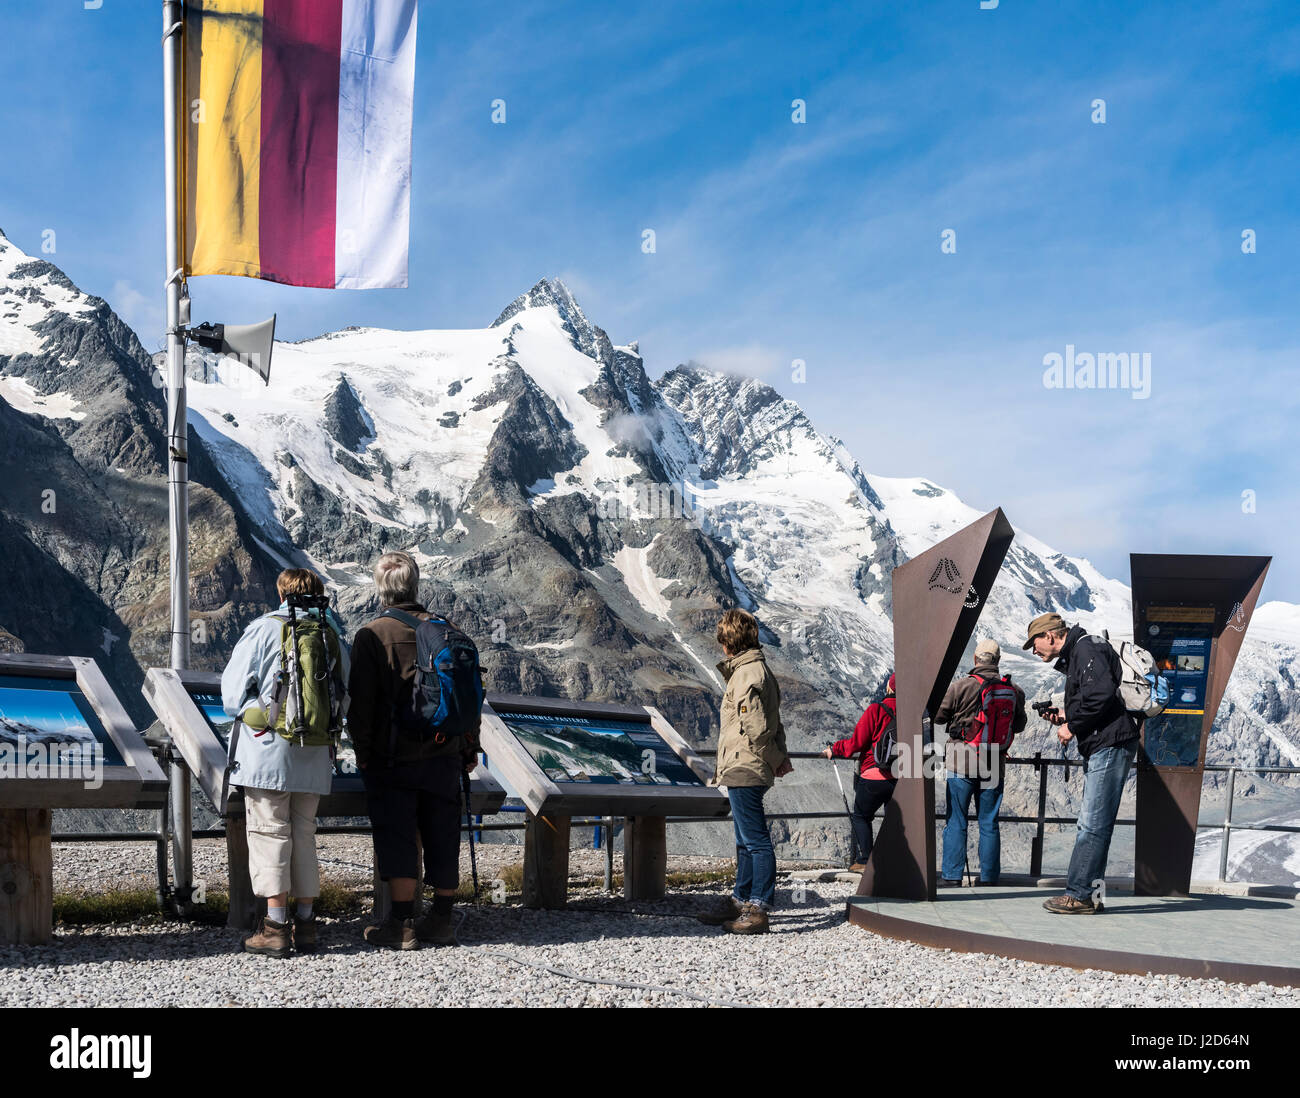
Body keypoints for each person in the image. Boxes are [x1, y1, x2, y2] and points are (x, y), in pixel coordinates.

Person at [348, 551, 482, 949]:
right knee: (443, 830)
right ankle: (441, 919)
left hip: (394, 758)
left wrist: (364, 752)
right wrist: (468, 745)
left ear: (380, 589)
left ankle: (402, 924)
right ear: (416, 584)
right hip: (445, 753)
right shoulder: (447, 630)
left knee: (398, 834)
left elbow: (362, 704)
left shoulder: (373, 635)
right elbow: (470, 697)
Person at [221, 568, 349, 957]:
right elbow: (346, 694)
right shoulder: (333, 637)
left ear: (281, 592)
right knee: (304, 833)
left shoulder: (263, 629)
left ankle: (275, 927)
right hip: (315, 754)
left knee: (269, 831)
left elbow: (230, 696)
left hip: (267, 750)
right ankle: (307, 924)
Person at [1023, 612, 1138, 914]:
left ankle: (1079, 896)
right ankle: (1091, 896)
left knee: (1092, 824)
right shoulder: (1082, 651)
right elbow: (1097, 699)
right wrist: (1067, 718)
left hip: (1109, 744)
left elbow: (1101, 694)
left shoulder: (1086, 648)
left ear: (1050, 635)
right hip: (1107, 742)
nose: (1035, 651)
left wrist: (1072, 727)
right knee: (1097, 825)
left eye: (1035, 644)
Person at [698, 608, 792, 935]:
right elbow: (772, 721)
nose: (720, 645)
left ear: (729, 641)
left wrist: (776, 758)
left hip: (744, 764)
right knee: (744, 839)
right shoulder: (757, 670)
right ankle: (741, 900)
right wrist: (777, 757)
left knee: (755, 840)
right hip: (746, 764)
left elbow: (757, 727)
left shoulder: (747, 674)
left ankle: (759, 907)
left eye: (722, 639)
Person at [933, 639, 1025, 887]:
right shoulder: (1013, 690)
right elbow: (1019, 725)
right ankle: (988, 878)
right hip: (994, 763)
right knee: (989, 823)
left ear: (975, 660)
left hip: (961, 762)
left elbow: (938, 717)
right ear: (997, 661)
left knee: (956, 821)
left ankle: (952, 877)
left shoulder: (960, 687)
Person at [820, 674, 898, 873]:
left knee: (861, 816)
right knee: (895, 823)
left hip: (875, 774)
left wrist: (835, 748)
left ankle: (865, 860)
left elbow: (857, 743)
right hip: (901, 777)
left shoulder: (876, 709)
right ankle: (895, 862)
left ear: (889, 689)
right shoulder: (913, 712)